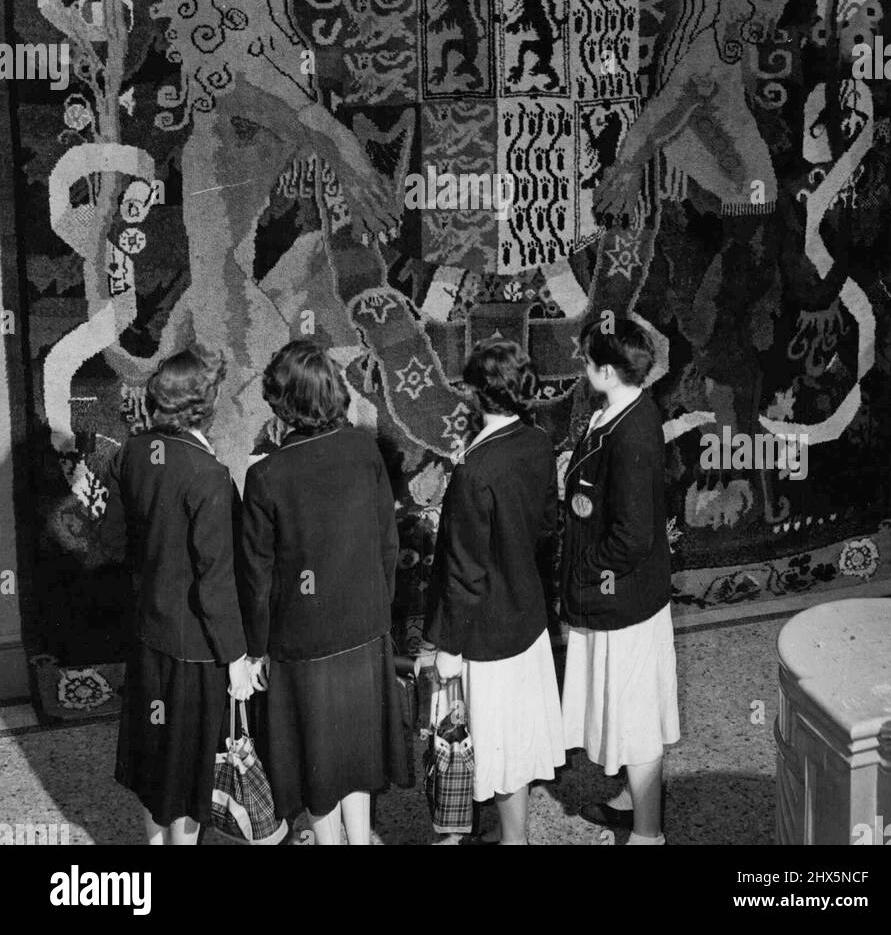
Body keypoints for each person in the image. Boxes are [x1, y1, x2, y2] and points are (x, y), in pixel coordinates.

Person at [238, 340, 407, 846]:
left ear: (282, 401)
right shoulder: (363, 448)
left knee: (317, 766)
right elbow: (387, 543)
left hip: (302, 643)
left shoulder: (265, 475)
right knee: (355, 758)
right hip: (364, 627)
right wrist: (378, 608)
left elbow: (257, 577)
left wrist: (256, 647)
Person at [101, 345, 253, 845]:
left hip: (149, 637)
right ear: (204, 404)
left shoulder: (131, 453)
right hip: (195, 651)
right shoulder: (207, 474)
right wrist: (235, 656)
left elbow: (113, 544)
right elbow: (216, 581)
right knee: (187, 771)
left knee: (155, 758)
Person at [424, 338, 565, 846]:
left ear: (478, 395)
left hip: (483, 632)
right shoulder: (537, 442)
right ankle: (513, 836)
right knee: (516, 742)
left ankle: (512, 841)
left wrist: (448, 647)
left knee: (495, 742)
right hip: (527, 618)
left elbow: (464, 572)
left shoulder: (473, 469)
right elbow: (548, 524)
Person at [560, 317, 680, 846]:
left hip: (622, 599)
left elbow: (632, 538)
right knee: (626, 710)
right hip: (618, 596)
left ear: (607, 371)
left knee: (635, 720)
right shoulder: (620, 409)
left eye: (588, 363)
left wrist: (583, 570)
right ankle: (634, 799)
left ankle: (649, 834)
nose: (584, 370)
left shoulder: (631, 432)